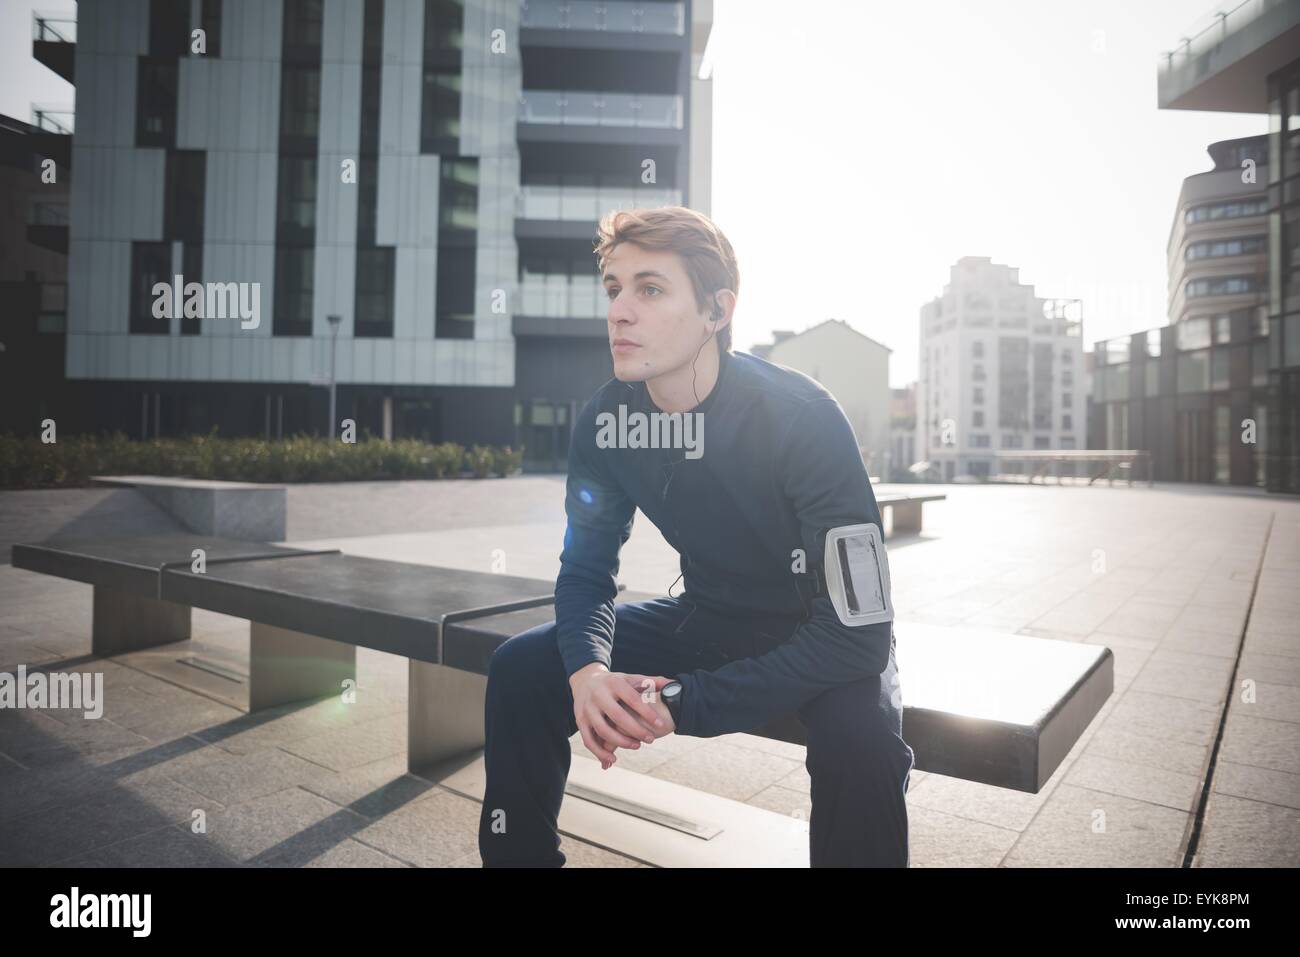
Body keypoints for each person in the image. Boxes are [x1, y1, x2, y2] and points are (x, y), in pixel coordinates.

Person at [478, 206, 914, 867]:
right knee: (521, 669)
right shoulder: (607, 420)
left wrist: (680, 702)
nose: (620, 310)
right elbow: (587, 570)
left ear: (716, 310)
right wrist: (590, 669)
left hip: (825, 633)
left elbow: (860, 632)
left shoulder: (803, 417)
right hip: (709, 617)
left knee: (862, 744)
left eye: (649, 289)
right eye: (614, 288)